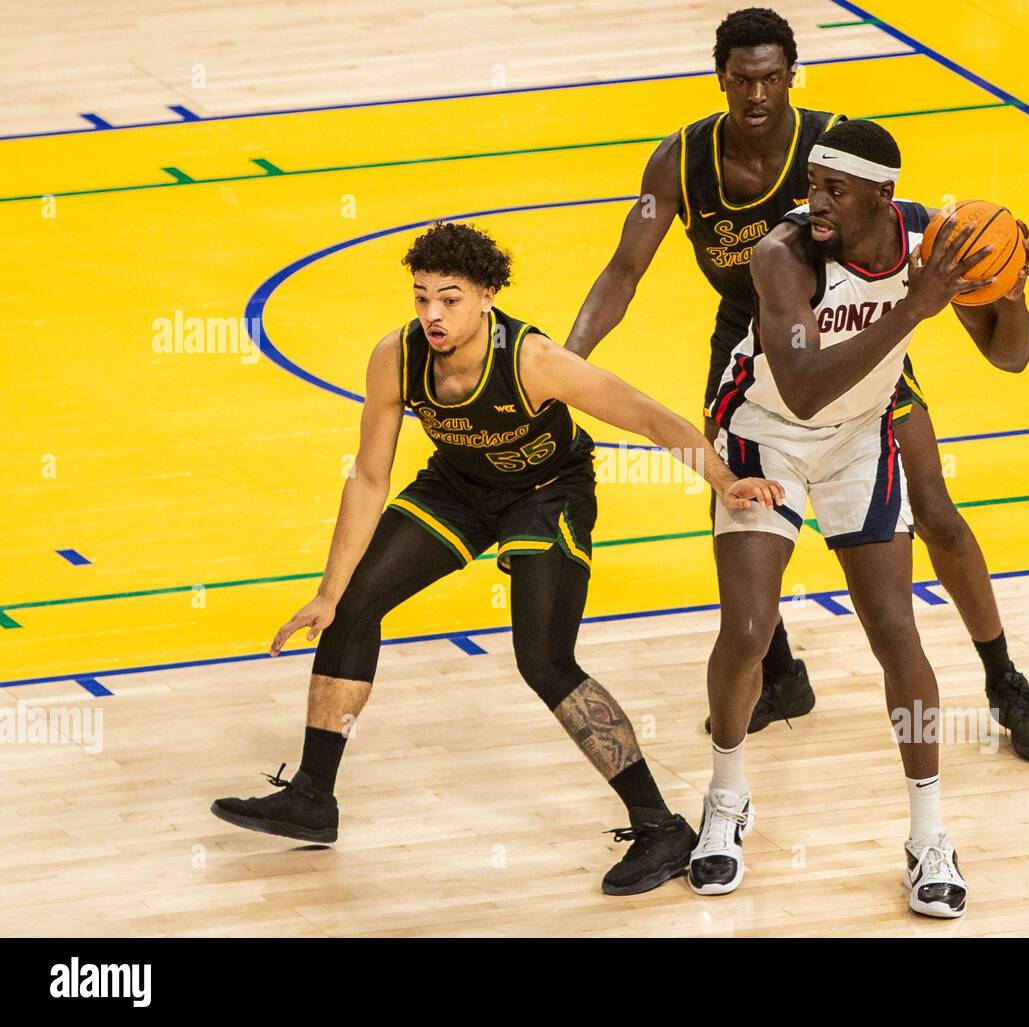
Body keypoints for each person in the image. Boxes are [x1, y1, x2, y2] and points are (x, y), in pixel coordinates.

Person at [211, 221, 782, 897]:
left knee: (543, 659)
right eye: (422, 297)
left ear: (486, 296)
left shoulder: (533, 360)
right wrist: (328, 591)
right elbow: (367, 478)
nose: (432, 314)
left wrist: (723, 480)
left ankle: (661, 826)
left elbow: (649, 418)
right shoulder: (395, 357)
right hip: (458, 487)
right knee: (353, 606)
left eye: (449, 299)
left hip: (547, 493)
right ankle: (312, 796)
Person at [565, 6, 1029, 760]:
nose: (757, 94)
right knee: (740, 504)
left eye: (771, 78)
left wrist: (1001, 286)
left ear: (793, 76)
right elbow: (623, 271)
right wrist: (564, 363)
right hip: (753, 345)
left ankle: (1005, 678)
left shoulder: (836, 146)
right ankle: (780, 673)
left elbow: (907, 240)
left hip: (861, 339)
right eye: (742, 80)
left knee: (936, 510)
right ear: (721, 78)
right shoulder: (681, 161)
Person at [690, 118, 1029, 916]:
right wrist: (914, 307)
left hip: (860, 437)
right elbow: (804, 387)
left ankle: (929, 835)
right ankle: (725, 801)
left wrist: (1009, 289)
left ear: (882, 196)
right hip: (764, 434)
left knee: (895, 631)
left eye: (834, 190)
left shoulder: (931, 242)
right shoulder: (782, 255)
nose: (815, 201)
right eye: (813, 185)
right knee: (748, 628)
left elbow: (1010, 355)